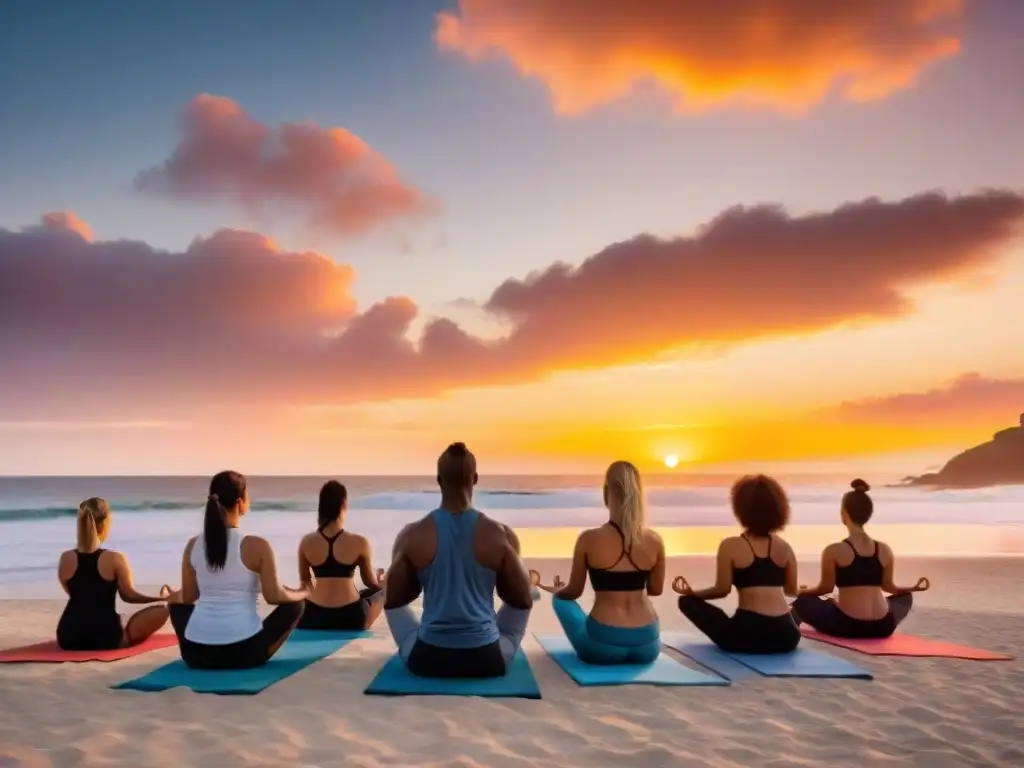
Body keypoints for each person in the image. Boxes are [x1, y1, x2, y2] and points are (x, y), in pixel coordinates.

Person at [384, 442, 534, 678]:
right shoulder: (501, 535)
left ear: (439, 479)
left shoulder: (411, 535)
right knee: (527, 596)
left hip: (427, 660)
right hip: (486, 660)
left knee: (393, 605)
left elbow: (393, 599)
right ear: (475, 479)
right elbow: (520, 600)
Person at [168, 471, 309, 669]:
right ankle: (261, 652)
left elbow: (189, 596)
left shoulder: (192, 545)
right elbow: (274, 596)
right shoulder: (257, 546)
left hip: (196, 654)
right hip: (243, 653)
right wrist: (303, 592)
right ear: (240, 502)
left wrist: (172, 596)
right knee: (296, 605)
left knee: (176, 604)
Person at [532, 461, 665, 664]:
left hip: (603, 644)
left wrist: (558, 590)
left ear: (606, 494)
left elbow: (574, 591)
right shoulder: (655, 540)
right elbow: (655, 589)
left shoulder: (589, 539)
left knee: (560, 601)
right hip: (648, 643)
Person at [674, 474, 801, 654]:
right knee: (796, 608)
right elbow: (791, 590)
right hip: (787, 637)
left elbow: (721, 590)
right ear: (778, 509)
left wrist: (692, 593)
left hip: (748, 635)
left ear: (741, 509)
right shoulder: (785, 547)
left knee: (686, 601)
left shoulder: (731, 545)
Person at [790, 479, 929, 639]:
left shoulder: (834, 550)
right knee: (905, 596)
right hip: (883, 627)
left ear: (845, 514)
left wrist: (803, 591)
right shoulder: (884, 549)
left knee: (803, 601)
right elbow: (889, 587)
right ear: (868, 515)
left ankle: (791, 623)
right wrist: (911, 587)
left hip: (849, 626)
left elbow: (825, 589)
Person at [56, 497, 171, 650]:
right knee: (164, 609)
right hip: (105, 637)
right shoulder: (115, 558)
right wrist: (160, 598)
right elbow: (129, 596)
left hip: (68, 636)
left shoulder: (65, 558)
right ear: (104, 524)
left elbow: (76, 594)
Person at [295, 480, 384, 630]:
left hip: (314, 616)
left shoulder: (306, 542)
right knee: (381, 593)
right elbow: (370, 582)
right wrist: (381, 583)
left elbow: (306, 585)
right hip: (351, 617)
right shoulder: (360, 542)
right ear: (344, 505)